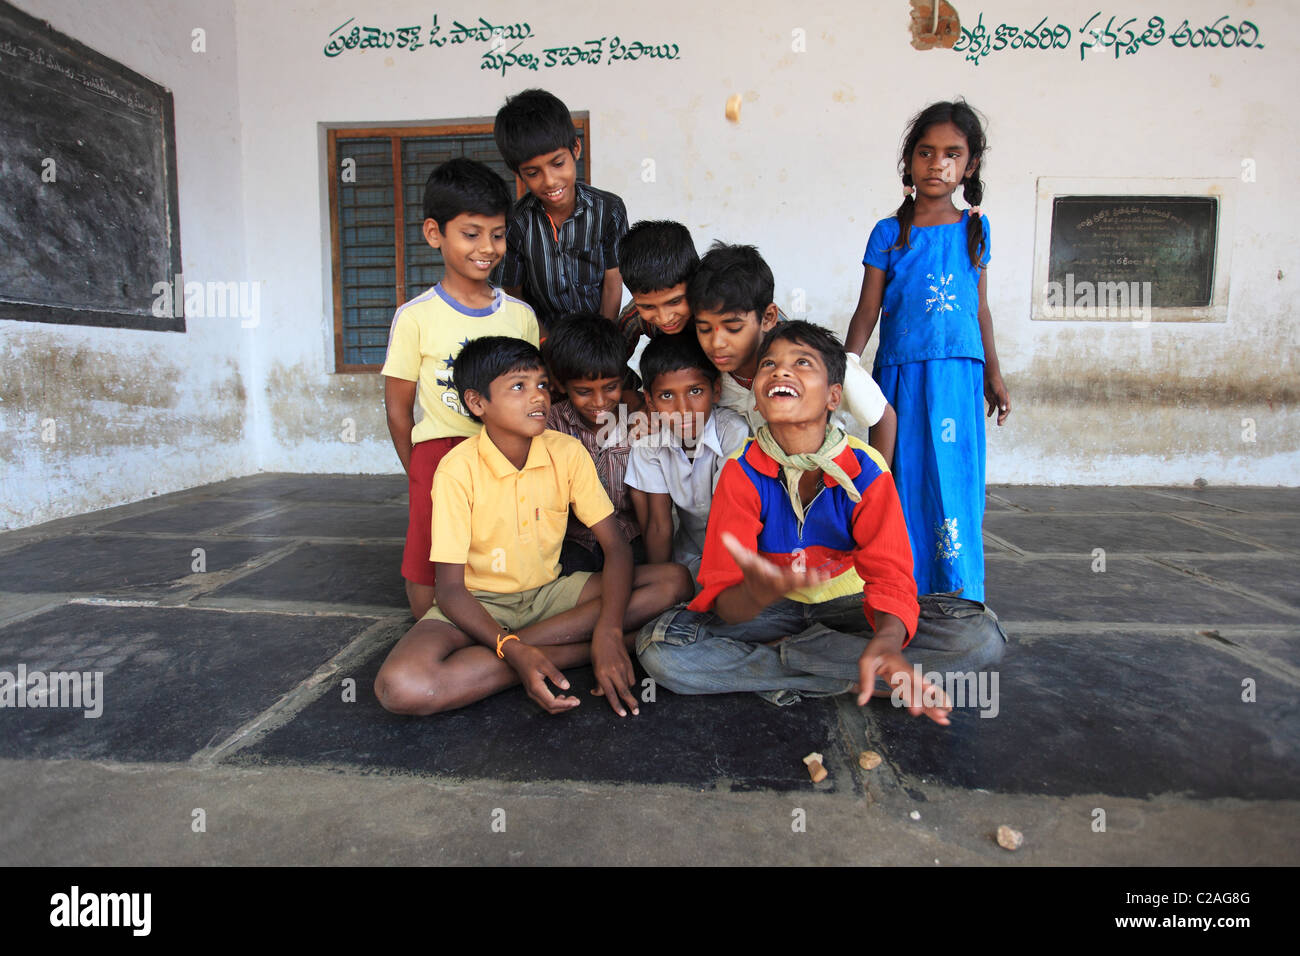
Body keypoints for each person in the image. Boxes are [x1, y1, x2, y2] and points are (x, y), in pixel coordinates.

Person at [637, 322, 1005, 712]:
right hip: (772, 610)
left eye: (802, 363)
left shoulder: (867, 469)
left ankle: (791, 663)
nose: (781, 371)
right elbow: (724, 592)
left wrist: (887, 640)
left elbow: (891, 576)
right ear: (757, 402)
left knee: (981, 635)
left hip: (851, 603)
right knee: (660, 649)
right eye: (769, 364)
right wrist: (750, 595)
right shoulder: (739, 470)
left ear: (833, 396)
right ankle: (845, 672)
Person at [374, 337, 693, 718]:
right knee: (401, 687)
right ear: (477, 403)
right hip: (478, 604)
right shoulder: (456, 470)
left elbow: (617, 547)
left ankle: (512, 655)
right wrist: (514, 649)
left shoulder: (565, 451)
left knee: (674, 581)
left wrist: (607, 630)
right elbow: (451, 589)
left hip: (549, 596)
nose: (538, 397)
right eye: (518, 387)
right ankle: (558, 653)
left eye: (542, 384)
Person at [844, 100, 1010, 601]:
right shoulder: (889, 233)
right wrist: (843, 367)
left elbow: (979, 310)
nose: (937, 163)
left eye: (951, 154)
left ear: (970, 165)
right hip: (900, 377)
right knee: (901, 479)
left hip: (959, 376)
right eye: (925, 152)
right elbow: (867, 309)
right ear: (909, 161)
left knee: (955, 481)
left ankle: (958, 589)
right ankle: (899, 584)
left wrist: (994, 375)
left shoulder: (975, 230)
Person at [381, 157, 539, 621]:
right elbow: (398, 410)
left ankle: (497, 632)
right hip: (440, 454)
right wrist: (419, 473)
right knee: (430, 552)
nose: (486, 247)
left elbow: (529, 392)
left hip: (503, 452)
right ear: (434, 233)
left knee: (497, 547)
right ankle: (432, 629)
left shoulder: (520, 317)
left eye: (497, 234)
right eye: (471, 234)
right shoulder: (416, 317)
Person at [688, 242, 898, 461]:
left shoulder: (820, 361)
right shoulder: (709, 379)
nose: (717, 342)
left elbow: (883, 417)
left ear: (768, 318)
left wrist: (879, 484)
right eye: (704, 329)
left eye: (733, 328)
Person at [493, 88, 628, 329]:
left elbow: (612, 283)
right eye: (533, 173)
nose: (550, 181)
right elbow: (515, 296)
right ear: (518, 173)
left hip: (599, 341)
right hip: (544, 343)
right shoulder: (515, 223)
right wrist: (545, 344)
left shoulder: (608, 210)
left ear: (576, 149)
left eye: (558, 163)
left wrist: (602, 344)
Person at [625, 333, 749, 579]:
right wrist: (661, 583)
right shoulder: (648, 445)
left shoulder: (733, 433)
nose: (683, 410)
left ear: (715, 391)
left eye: (695, 391)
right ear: (649, 401)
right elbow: (659, 525)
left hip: (738, 556)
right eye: (667, 396)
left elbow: (732, 516)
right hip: (689, 556)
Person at [541, 313, 644, 573]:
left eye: (610, 387)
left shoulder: (638, 421)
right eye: (584, 391)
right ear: (562, 386)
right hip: (573, 541)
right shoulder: (551, 425)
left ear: (623, 379)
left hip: (629, 535)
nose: (599, 402)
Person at [614, 220, 699, 362]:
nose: (664, 318)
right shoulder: (633, 317)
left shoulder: (716, 308)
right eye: (648, 306)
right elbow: (609, 367)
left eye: (675, 301)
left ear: (695, 281)